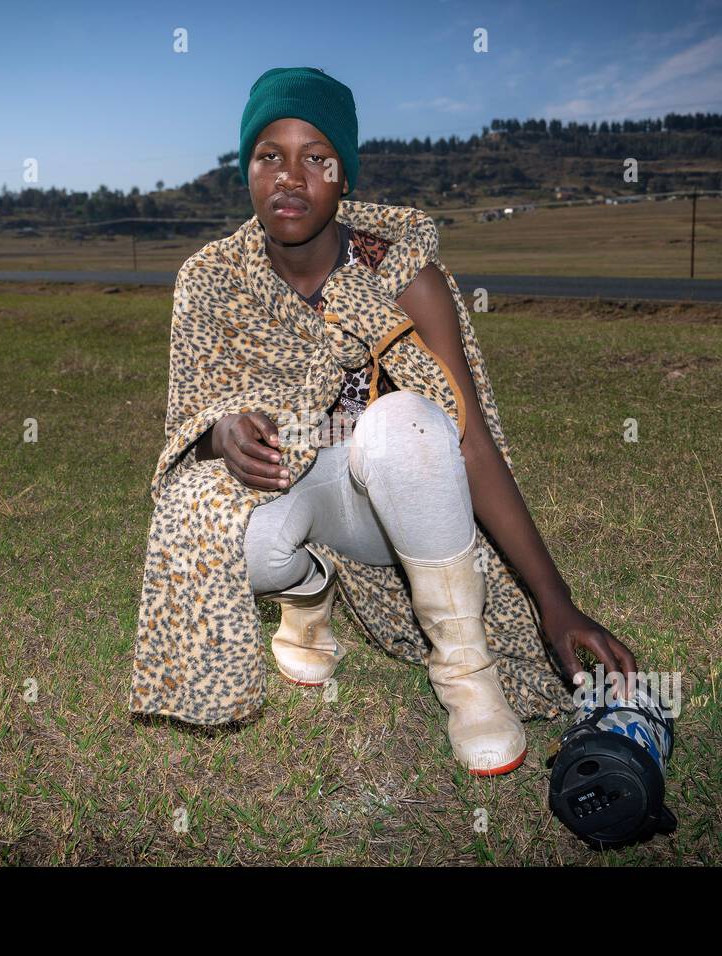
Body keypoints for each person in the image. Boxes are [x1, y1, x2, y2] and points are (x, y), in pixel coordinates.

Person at [176, 67, 638, 776]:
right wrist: (220, 434)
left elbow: (468, 440)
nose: (291, 176)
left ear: (345, 177)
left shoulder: (401, 277)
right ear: (247, 170)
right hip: (295, 486)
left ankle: (467, 673)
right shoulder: (213, 280)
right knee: (224, 532)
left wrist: (556, 601)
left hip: (393, 492)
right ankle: (308, 593)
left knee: (400, 421)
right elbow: (188, 421)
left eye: (317, 158)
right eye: (270, 154)